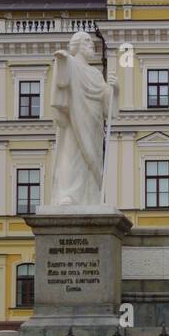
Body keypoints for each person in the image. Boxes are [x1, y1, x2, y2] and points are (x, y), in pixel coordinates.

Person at [48, 30, 117, 207]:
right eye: (86, 41)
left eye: (91, 42)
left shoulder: (95, 74)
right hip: (74, 118)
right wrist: (62, 62)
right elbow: (62, 84)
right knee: (71, 155)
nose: (91, 45)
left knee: (90, 162)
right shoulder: (69, 63)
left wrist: (114, 89)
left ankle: (91, 196)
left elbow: (106, 104)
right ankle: (68, 194)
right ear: (76, 45)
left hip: (93, 124)